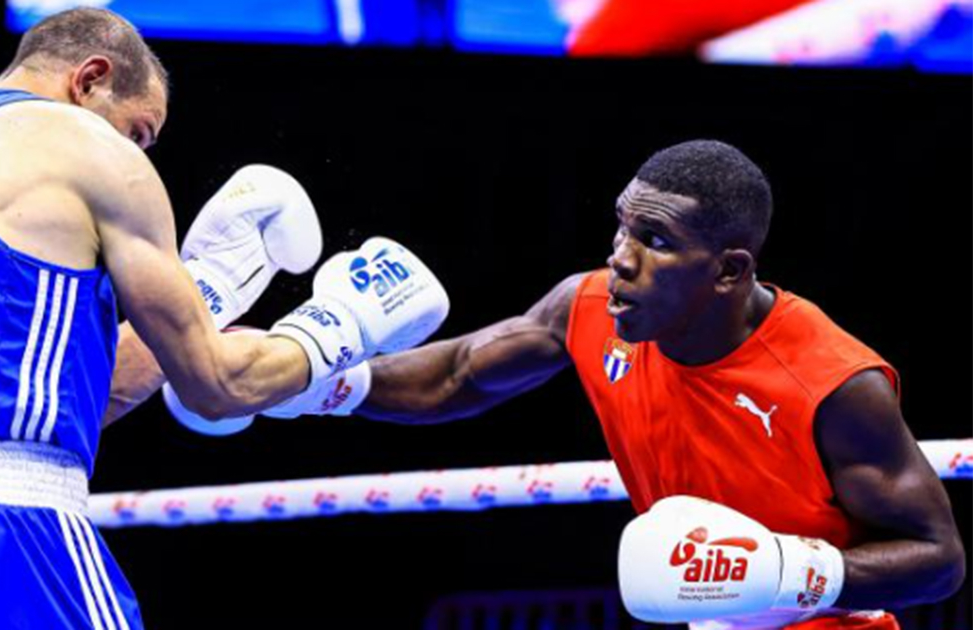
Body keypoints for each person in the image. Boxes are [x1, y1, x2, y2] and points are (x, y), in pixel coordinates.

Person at [0, 7, 449, 628]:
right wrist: (340, 323)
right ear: (90, 80)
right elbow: (219, 386)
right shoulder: (88, 150)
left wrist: (210, 288)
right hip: (5, 536)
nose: (140, 154)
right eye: (138, 133)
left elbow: (56, 391)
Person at [171, 140, 966, 629]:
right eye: (623, 226)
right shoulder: (589, 306)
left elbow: (938, 558)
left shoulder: (831, 379)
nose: (622, 256)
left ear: (728, 271)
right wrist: (312, 382)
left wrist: (793, 573)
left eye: (655, 241)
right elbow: (455, 377)